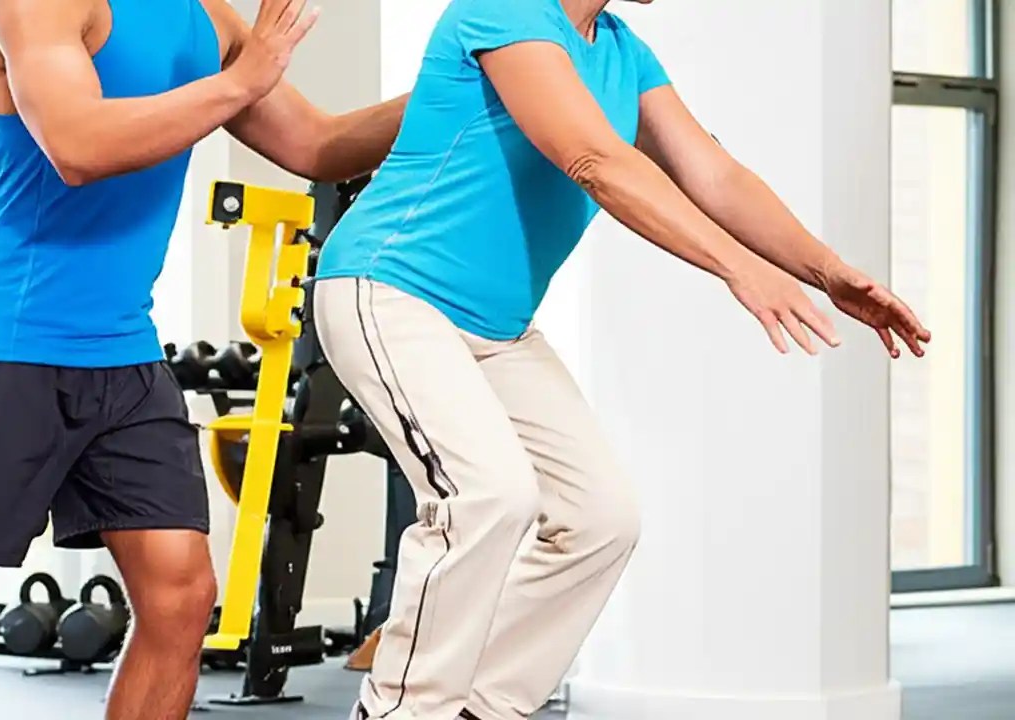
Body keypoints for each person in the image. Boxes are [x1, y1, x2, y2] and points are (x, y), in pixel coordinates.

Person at [313, 0, 932, 719]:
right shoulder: (504, 11)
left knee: (601, 518)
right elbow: (594, 160)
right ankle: (403, 711)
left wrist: (828, 271)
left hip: (498, 327)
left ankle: (481, 706)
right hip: (391, 290)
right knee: (488, 497)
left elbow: (715, 175)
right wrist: (738, 268)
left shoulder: (620, 50)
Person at [0, 1, 404, 718]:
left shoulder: (205, 16)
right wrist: (239, 82)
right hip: (10, 346)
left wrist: (456, 86)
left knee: (181, 599)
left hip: (125, 354)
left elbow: (321, 145)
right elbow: (77, 147)